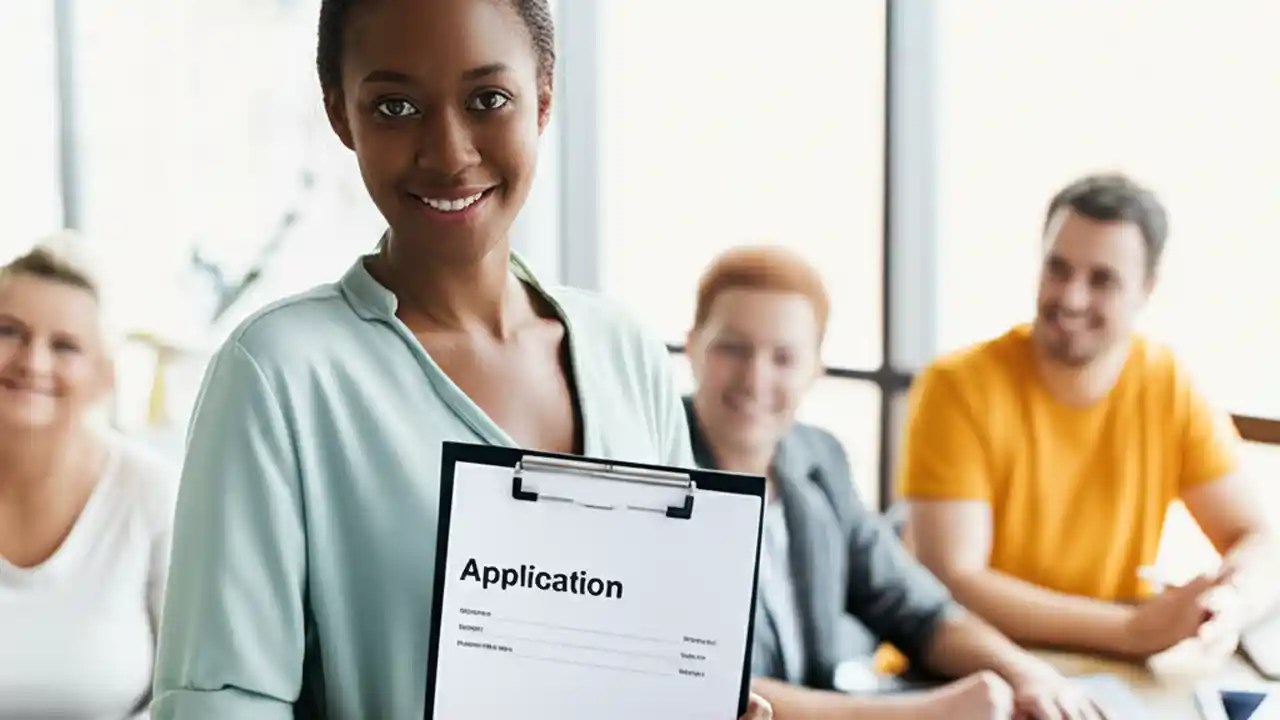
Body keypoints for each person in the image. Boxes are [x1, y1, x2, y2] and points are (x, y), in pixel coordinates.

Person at [152, 1, 770, 717]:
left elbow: (666, 648)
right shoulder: (280, 373)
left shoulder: (624, 351)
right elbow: (219, 703)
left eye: (488, 99)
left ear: (543, 95)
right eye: (394, 106)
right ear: (338, 114)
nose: (447, 153)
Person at [685, 245, 1103, 719]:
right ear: (692, 344)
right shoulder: (649, 473)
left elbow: (917, 609)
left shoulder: (817, 459)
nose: (755, 377)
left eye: (784, 357)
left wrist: (1026, 674)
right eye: (733, 348)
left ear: (815, 369)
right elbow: (703, 685)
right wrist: (924, 714)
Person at [900, 173, 1280, 662]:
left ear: (1147, 288)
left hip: (1098, 671)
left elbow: (1257, 537)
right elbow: (956, 580)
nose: (1071, 298)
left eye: (1102, 280)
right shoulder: (957, 387)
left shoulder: (1166, 384)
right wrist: (1133, 630)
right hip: (964, 671)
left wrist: (1229, 603)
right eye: (1057, 269)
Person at [0, 243, 177, 719]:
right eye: (9, 332)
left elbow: (190, 688)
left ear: (105, 376)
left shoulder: (151, 495)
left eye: (65, 346)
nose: (32, 362)